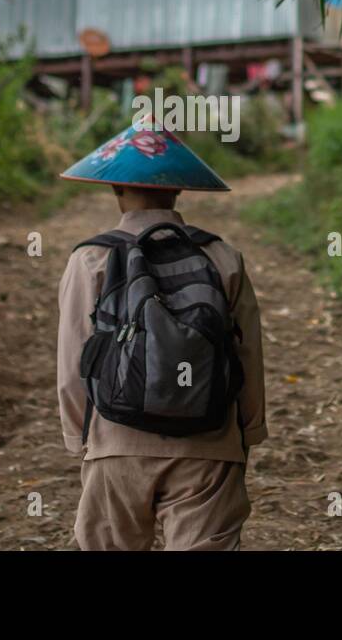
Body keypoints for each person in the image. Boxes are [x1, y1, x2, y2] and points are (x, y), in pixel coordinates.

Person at [56, 118, 267, 550]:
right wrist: (246, 431)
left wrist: (81, 436)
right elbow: (247, 354)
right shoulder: (223, 256)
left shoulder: (90, 258)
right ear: (179, 188)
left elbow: (74, 356)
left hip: (115, 441)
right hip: (210, 443)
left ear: (115, 189)